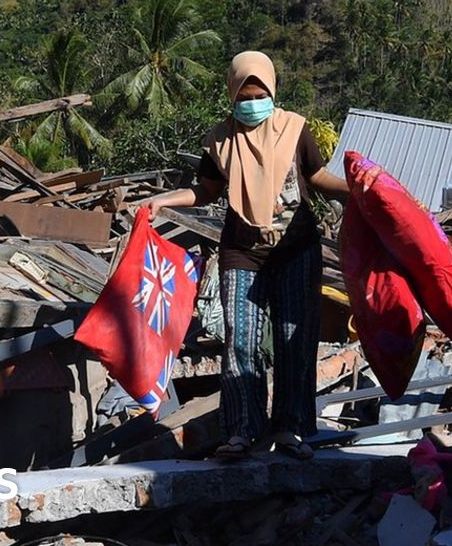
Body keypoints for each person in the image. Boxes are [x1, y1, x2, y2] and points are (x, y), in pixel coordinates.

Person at [143, 51, 355, 460]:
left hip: (296, 249)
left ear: (273, 92)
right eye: (245, 95)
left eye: (260, 94)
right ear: (233, 93)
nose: (253, 103)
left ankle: (291, 429)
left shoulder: (294, 129)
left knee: (295, 341)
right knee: (241, 341)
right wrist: (163, 201)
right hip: (242, 251)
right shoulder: (220, 139)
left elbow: (316, 177)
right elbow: (205, 191)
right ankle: (242, 431)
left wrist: (361, 187)